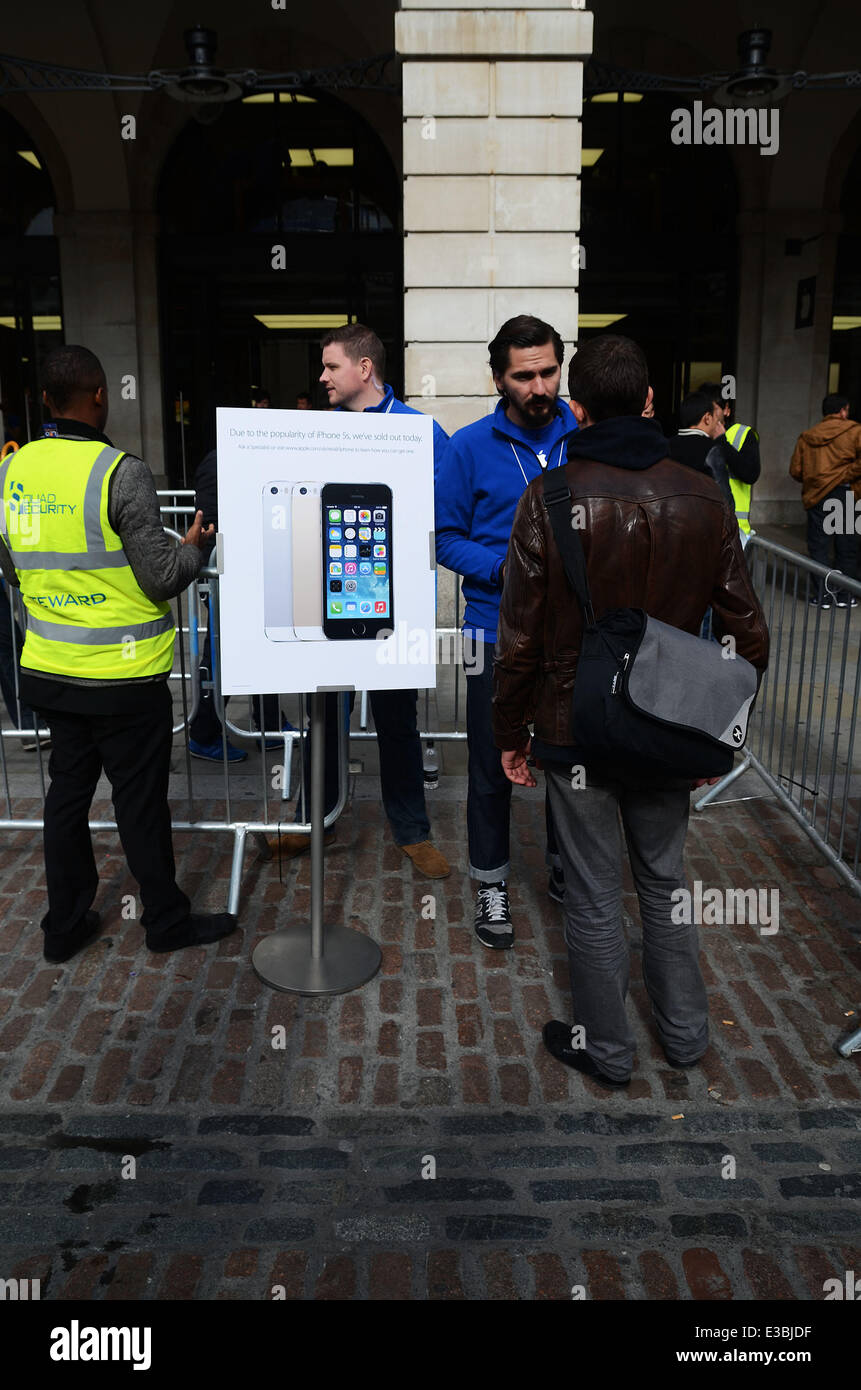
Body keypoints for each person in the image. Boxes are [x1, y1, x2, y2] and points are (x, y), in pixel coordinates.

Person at [493, 334, 769, 1086]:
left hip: (572, 724)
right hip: (668, 723)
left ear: (577, 406)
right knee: (664, 882)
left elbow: (516, 636)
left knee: (589, 894)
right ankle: (683, 1038)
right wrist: (718, 724)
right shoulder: (703, 492)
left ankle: (607, 1050)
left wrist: (507, 734)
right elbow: (750, 632)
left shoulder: (548, 496)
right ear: (648, 402)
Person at [0, 345, 236, 961]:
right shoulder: (119, 472)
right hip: (125, 679)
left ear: (46, 401)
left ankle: (64, 927)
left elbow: (13, 563)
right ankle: (165, 921)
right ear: (100, 395)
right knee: (139, 805)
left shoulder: (12, 471)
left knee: (66, 797)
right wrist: (196, 545)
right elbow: (161, 576)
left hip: (54, 670)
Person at [274, 323, 450, 880]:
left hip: (393, 608)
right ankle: (312, 822)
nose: (322, 377)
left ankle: (412, 831)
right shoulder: (319, 434)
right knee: (325, 714)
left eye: (331, 366)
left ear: (365, 368)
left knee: (398, 718)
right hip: (329, 600)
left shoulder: (422, 432)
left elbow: (443, 516)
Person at [435, 315, 578, 948]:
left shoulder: (584, 432)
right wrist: (504, 568)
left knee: (568, 760)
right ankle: (491, 882)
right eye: (524, 376)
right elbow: (444, 538)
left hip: (576, 636)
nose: (539, 385)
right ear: (498, 379)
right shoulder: (468, 446)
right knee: (494, 767)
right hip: (494, 633)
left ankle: (562, 868)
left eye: (548, 371)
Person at [187, 445, 289, 761]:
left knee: (261, 645)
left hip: (238, 569)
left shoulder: (228, 457)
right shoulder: (225, 459)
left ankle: (269, 726)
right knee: (222, 652)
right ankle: (204, 732)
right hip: (226, 571)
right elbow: (214, 521)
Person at [790, 393, 861, 609]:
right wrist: (845, 475)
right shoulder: (855, 430)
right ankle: (844, 595)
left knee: (818, 547)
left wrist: (816, 478)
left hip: (817, 497)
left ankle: (822, 595)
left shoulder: (807, 436)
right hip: (845, 495)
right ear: (843, 411)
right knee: (846, 547)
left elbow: (795, 470)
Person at [699, 381, 761, 546]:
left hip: (734, 530)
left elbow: (750, 474)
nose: (707, 415)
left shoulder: (743, 434)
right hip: (699, 526)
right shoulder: (695, 435)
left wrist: (722, 441)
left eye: (713, 409)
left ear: (726, 410)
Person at [666, 390, 737, 509]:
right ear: (707, 418)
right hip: (701, 523)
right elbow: (724, 500)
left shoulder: (666, 444)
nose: (717, 423)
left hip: (670, 520)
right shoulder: (711, 449)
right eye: (715, 418)